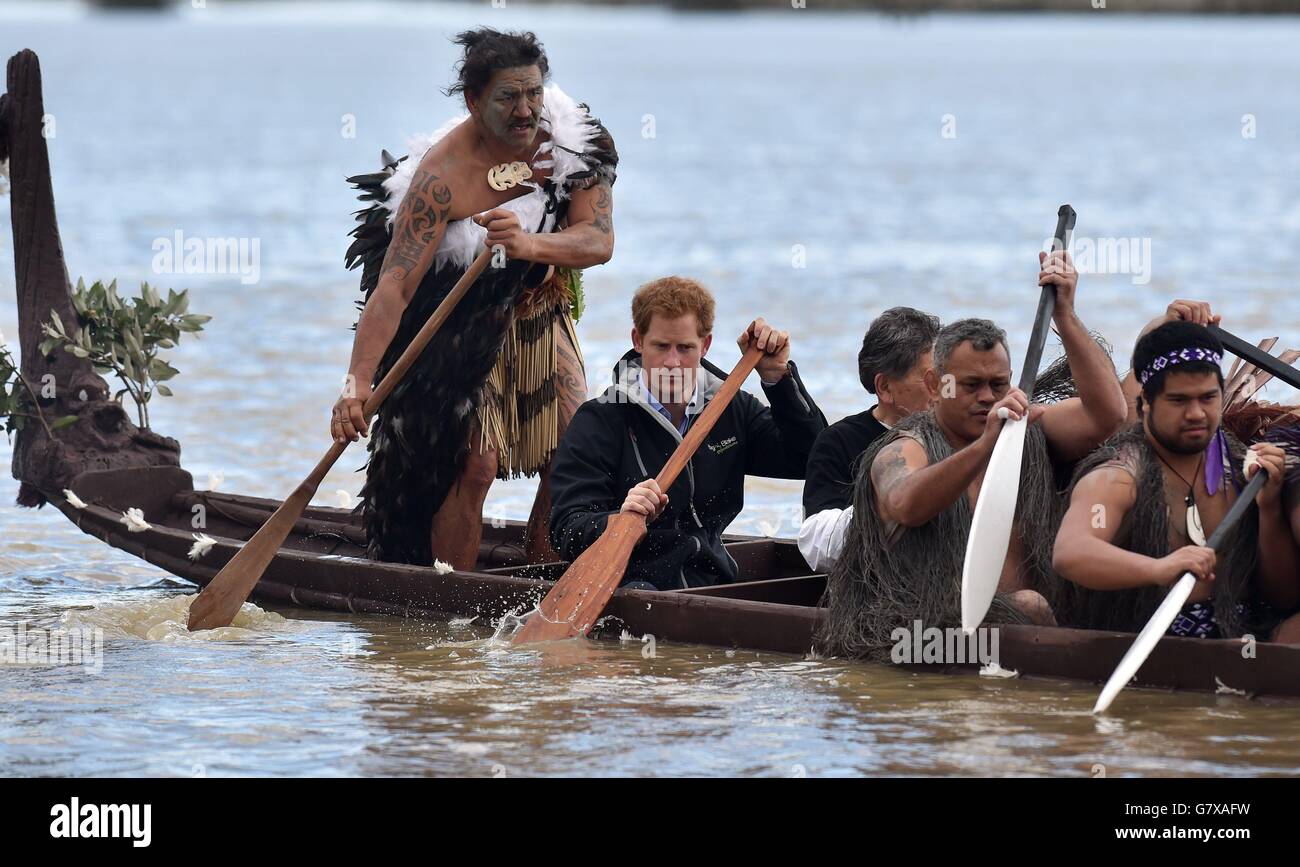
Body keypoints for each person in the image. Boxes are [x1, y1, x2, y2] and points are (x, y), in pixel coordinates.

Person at [332, 28, 617, 569]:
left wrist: (528, 243)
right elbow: (394, 286)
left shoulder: (576, 143)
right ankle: (451, 603)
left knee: (577, 446)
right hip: (458, 324)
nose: (526, 110)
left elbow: (598, 241)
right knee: (476, 466)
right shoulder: (440, 178)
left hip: (538, 308)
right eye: (508, 97)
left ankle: (543, 578)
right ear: (473, 101)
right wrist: (355, 386)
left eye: (533, 93)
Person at [817, 249, 1128, 660]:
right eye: (970, 385)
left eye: (998, 385)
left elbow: (1109, 413)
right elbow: (905, 504)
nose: (987, 398)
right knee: (1031, 604)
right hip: (931, 636)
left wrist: (1066, 317)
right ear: (934, 384)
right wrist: (984, 447)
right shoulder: (904, 447)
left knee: (1044, 603)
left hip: (1030, 631)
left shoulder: (1030, 428)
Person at [548, 277, 827, 590]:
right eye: (661, 346)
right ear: (638, 340)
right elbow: (565, 530)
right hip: (629, 583)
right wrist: (619, 519)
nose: (672, 362)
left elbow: (812, 461)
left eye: (685, 348)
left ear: (705, 345)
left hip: (712, 583)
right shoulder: (598, 421)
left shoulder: (732, 409)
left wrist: (780, 380)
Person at [1053, 315, 1300, 643]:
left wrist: (1269, 510)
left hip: (1246, 636)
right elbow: (1071, 552)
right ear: (1145, 405)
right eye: (1179, 400)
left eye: (1208, 398)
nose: (1197, 413)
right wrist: (1158, 568)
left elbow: (1283, 596)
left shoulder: (1242, 466)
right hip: (1148, 641)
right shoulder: (1119, 474)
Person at [798, 307, 940, 572]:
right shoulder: (838, 441)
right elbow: (816, 546)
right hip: (872, 597)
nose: (942, 388)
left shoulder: (958, 433)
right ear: (884, 387)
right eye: (929, 377)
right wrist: (891, 504)